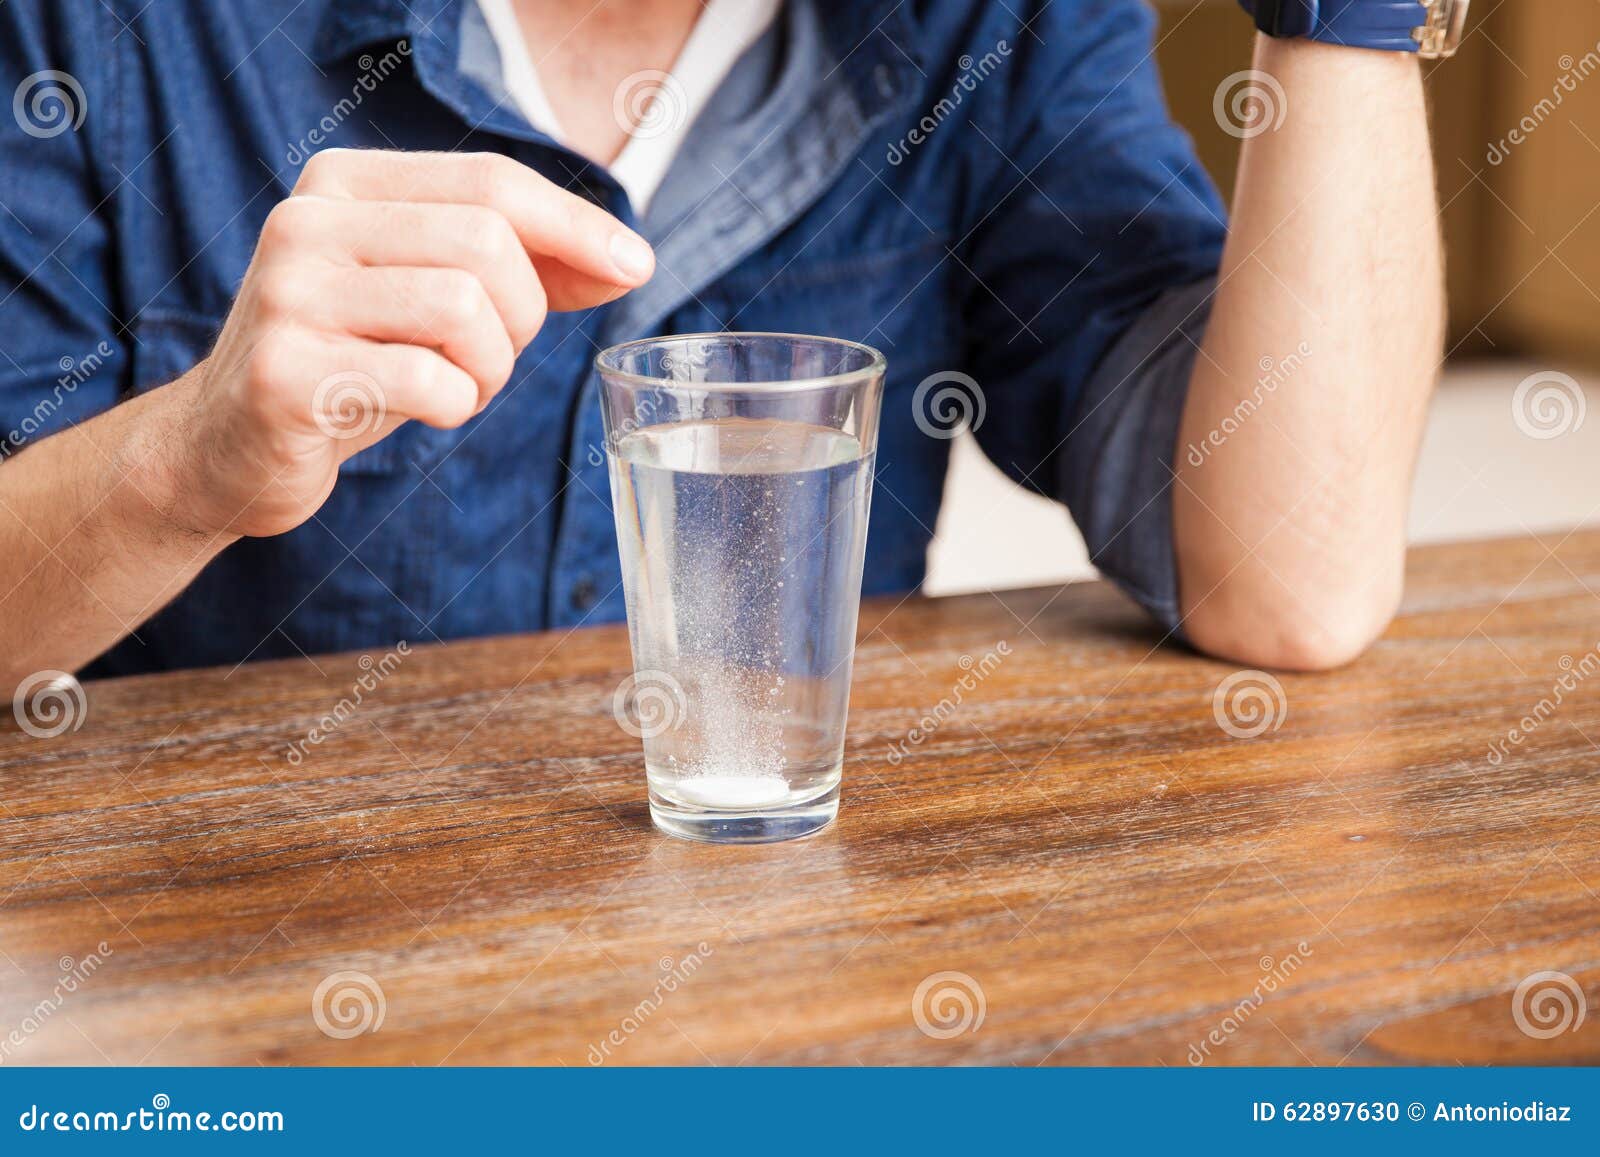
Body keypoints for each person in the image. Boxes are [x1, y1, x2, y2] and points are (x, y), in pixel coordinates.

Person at [0, 0, 1453, 685]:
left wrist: (1351, 17)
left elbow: (1293, 584)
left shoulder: (991, 26)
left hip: (773, 1016)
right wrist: (192, 460)